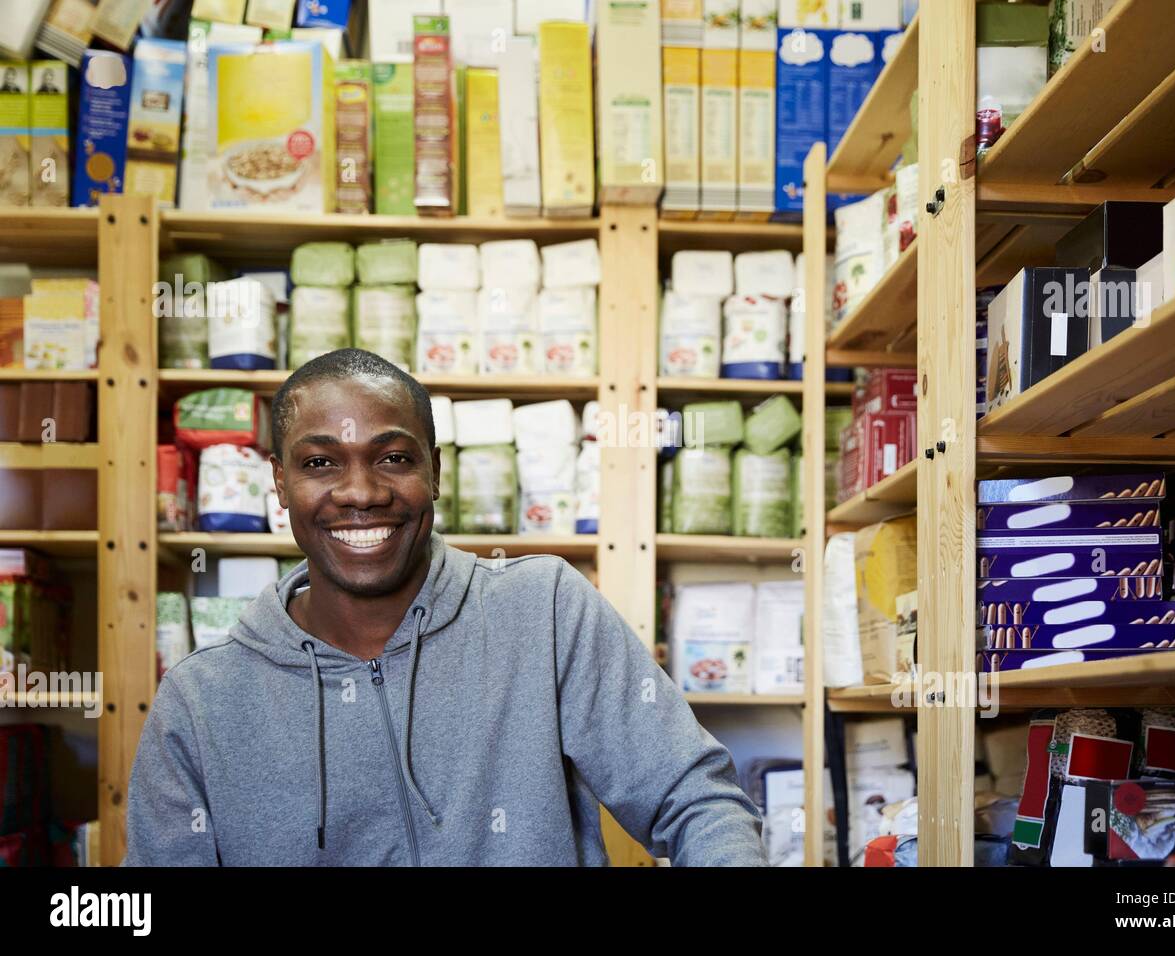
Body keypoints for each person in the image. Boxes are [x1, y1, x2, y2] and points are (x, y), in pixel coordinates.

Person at [123, 348, 766, 866]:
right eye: (321, 462)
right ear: (281, 483)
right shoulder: (200, 703)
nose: (361, 492)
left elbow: (692, 799)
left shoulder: (541, 611)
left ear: (435, 471)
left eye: (393, 458)